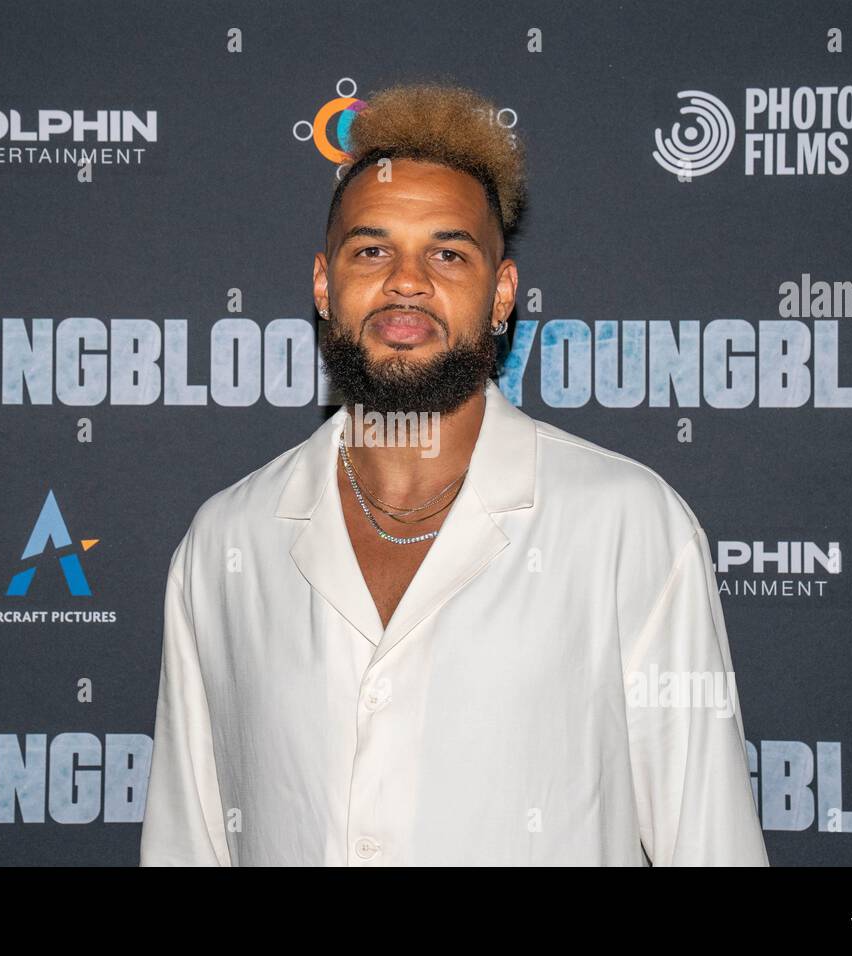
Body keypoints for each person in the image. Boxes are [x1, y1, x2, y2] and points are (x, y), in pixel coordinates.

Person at [140, 82, 769, 866]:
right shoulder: (226, 541)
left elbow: (710, 842)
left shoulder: (627, 524)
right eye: (372, 250)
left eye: (448, 252)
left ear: (501, 293)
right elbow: (185, 840)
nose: (408, 280)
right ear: (323, 286)